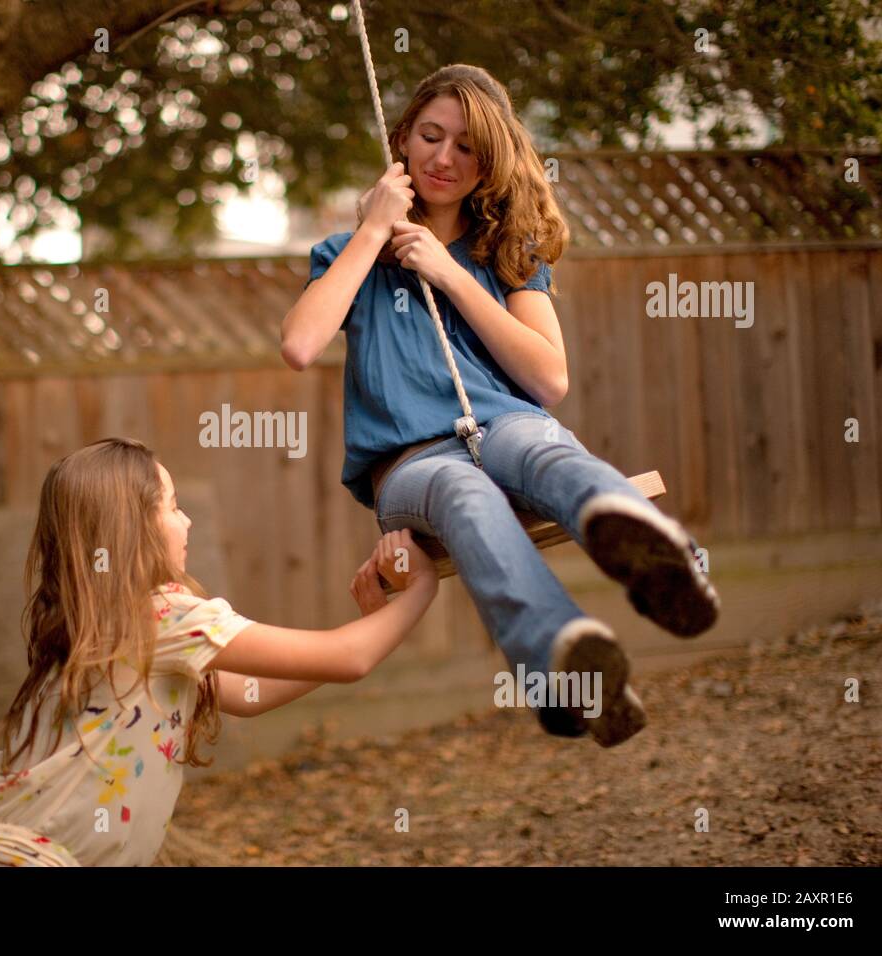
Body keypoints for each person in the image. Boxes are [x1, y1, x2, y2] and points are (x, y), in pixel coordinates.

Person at [281, 64, 720, 748]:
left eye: (467, 148)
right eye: (431, 135)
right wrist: (373, 233)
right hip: (414, 465)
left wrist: (450, 273)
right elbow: (299, 345)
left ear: (488, 167)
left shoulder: (507, 252)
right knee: (463, 492)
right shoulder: (349, 256)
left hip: (505, 428)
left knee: (542, 449)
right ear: (402, 138)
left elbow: (549, 380)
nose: (444, 157)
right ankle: (555, 661)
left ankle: (659, 563)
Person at [0, 437, 434, 866]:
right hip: (21, 856)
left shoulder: (115, 622)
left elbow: (250, 695)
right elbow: (348, 659)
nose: (187, 520)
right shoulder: (158, 614)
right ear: (133, 527)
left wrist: (372, 622)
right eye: (172, 506)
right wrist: (421, 591)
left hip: (0, 847)